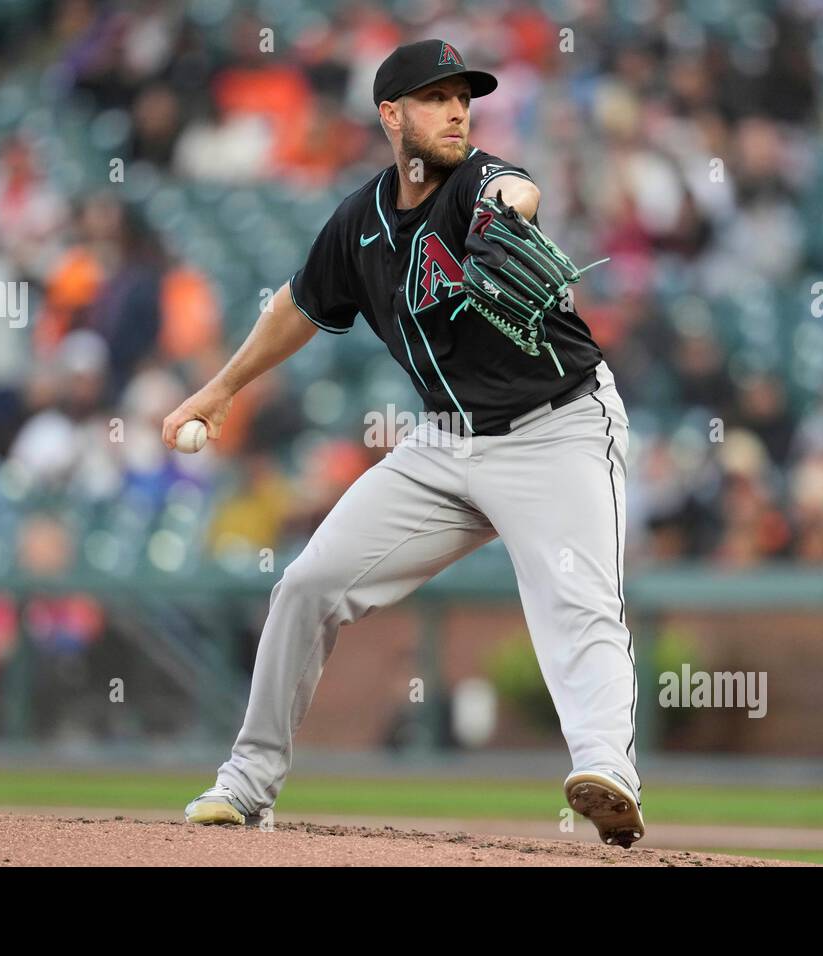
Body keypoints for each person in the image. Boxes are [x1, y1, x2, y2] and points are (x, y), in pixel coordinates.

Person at [162, 39, 644, 847]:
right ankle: (246, 785)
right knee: (308, 584)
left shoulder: (477, 186)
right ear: (392, 115)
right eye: (435, 97)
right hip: (443, 446)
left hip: (556, 429)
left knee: (578, 600)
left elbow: (516, 190)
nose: (457, 110)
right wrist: (218, 390)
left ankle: (608, 773)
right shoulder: (360, 223)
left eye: (465, 96)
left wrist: (509, 212)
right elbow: (297, 305)